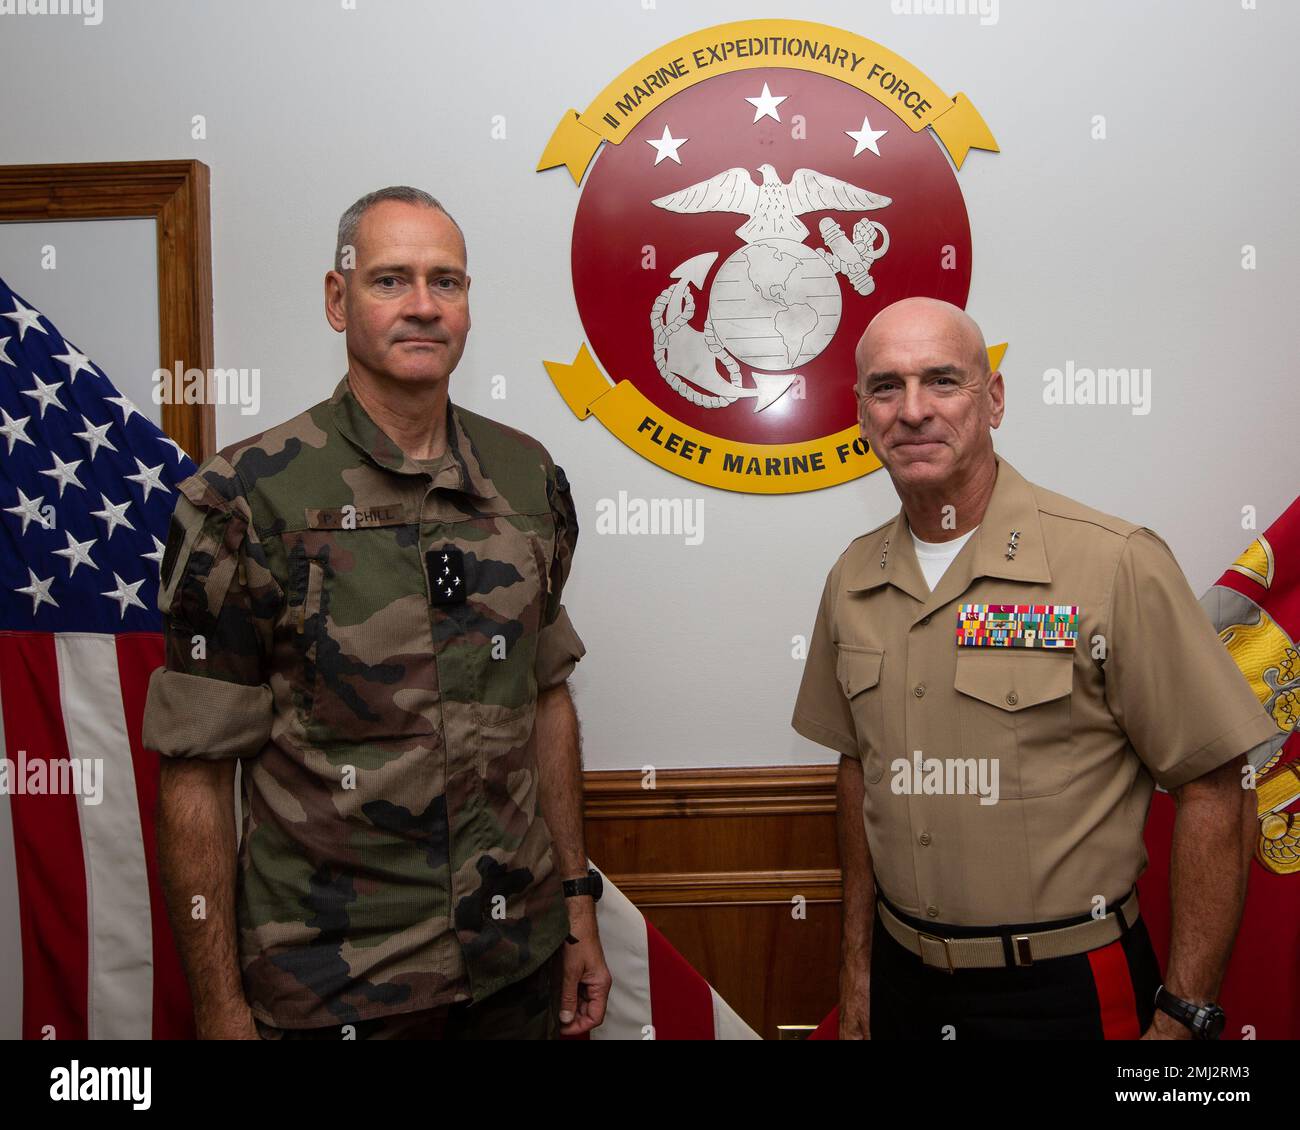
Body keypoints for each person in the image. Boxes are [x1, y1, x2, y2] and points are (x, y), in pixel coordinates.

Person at [143, 186, 611, 1040]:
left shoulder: (527, 478)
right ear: (338, 299)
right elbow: (197, 770)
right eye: (391, 280)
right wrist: (216, 1009)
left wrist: (577, 902)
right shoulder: (244, 499)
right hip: (337, 987)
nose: (424, 306)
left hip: (518, 964)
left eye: (448, 282)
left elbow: (544, 699)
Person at [792, 297, 1274, 1040]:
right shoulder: (853, 578)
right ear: (861, 412)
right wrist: (856, 968)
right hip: (901, 983)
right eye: (887, 387)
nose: (913, 410)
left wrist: (1184, 1014)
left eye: (942, 381)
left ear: (995, 399)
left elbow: (1216, 782)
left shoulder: (1113, 563)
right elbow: (858, 770)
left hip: (1066, 992)